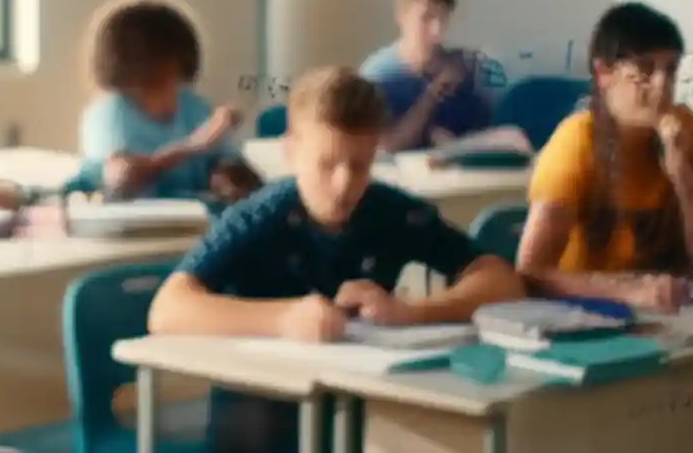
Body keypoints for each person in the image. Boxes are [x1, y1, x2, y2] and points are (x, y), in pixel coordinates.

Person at [148, 66, 523, 452]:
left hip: (355, 411)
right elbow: (166, 310)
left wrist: (413, 312)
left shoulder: (390, 212)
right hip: (259, 414)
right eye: (327, 164)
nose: (344, 184)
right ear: (292, 152)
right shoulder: (259, 217)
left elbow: (500, 279)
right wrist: (282, 319)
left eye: (360, 165)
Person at [518, 2, 693, 311]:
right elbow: (531, 270)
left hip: (671, 319)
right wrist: (627, 292)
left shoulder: (683, 130)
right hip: (589, 320)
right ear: (604, 73)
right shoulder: (576, 141)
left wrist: (681, 175)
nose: (662, 86)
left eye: (670, 70)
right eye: (645, 70)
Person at [79, 0, 261, 203]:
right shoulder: (110, 113)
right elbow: (123, 176)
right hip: (135, 223)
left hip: (195, 219)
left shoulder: (193, 107)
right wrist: (196, 144)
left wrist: (227, 177)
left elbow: (226, 162)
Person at [360, 0, 491, 152]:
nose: (437, 31)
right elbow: (385, 147)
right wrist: (432, 96)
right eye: (426, 18)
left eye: (443, 18)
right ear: (402, 17)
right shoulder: (378, 76)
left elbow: (481, 133)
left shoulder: (460, 69)